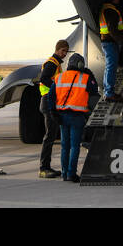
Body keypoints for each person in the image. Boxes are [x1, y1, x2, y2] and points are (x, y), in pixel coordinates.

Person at [55, 53, 100, 182]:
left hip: (62, 116)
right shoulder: (85, 78)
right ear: (80, 64)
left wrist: (54, 114)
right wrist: (88, 73)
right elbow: (93, 92)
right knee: (75, 146)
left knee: (65, 146)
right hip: (77, 116)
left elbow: (52, 96)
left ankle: (64, 173)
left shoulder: (59, 78)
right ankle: (71, 174)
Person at [37, 39, 70, 178]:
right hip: (47, 101)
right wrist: (56, 89)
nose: (64, 54)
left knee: (51, 135)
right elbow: (44, 78)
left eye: (66, 52)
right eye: (63, 51)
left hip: (50, 101)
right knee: (49, 136)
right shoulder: (52, 63)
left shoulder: (56, 64)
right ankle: (43, 168)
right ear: (57, 50)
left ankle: (47, 167)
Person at [98, 0, 123, 101]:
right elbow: (113, 30)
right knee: (111, 67)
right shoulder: (111, 11)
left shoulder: (105, 8)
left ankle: (108, 91)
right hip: (110, 42)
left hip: (106, 41)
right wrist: (121, 40)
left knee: (109, 67)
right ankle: (109, 93)